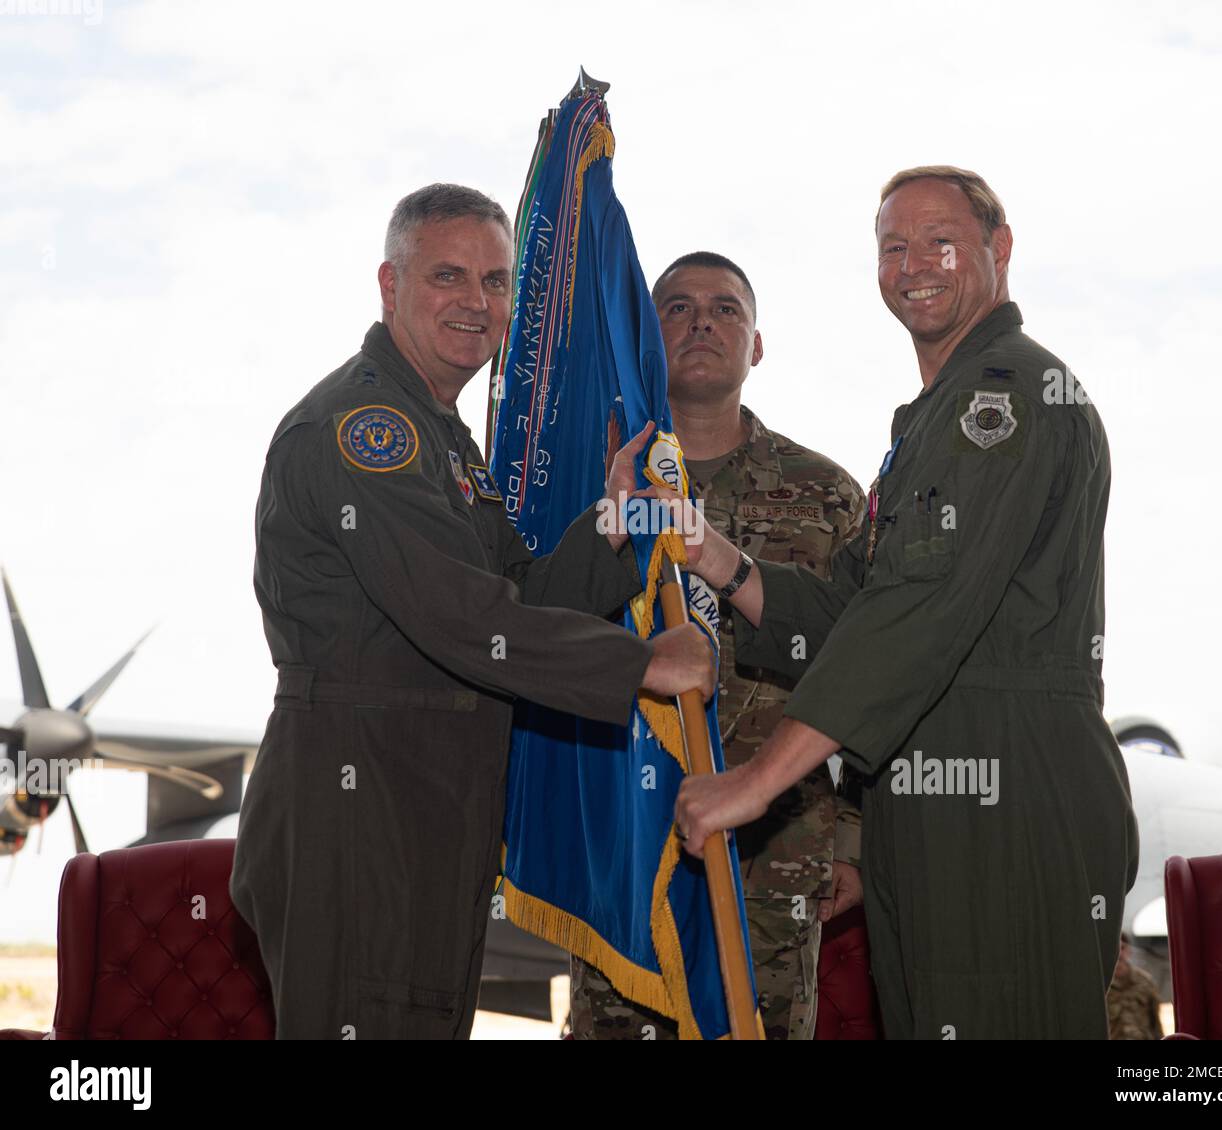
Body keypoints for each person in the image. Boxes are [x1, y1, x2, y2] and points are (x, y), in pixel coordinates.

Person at [230, 183, 714, 1040]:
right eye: (448, 277)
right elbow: (465, 619)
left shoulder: (440, 434)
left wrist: (610, 518)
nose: (477, 303)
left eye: (496, 282)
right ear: (390, 286)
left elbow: (515, 599)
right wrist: (641, 665)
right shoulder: (364, 427)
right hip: (360, 813)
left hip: (422, 811)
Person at [674, 167, 1140, 1039]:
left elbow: (915, 614)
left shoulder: (1003, 396)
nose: (914, 262)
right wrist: (713, 555)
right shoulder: (933, 417)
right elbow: (855, 600)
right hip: (931, 796)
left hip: (1005, 789)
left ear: (999, 252)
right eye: (894, 246)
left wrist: (757, 782)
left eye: (941, 240)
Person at [568, 252, 866, 1041]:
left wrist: (855, 843)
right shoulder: (597, 487)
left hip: (779, 847)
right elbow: (546, 639)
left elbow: (866, 666)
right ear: (644, 335)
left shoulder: (824, 492)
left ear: (757, 344)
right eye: (678, 307)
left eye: (727, 309)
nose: (703, 321)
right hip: (628, 839)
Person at [1107, 933, 1163, 1040]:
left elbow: (1155, 1023)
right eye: (1114, 949)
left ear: (1129, 951)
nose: (1119, 953)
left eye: (1122, 948)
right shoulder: (1103, 985)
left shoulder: (1145, 982)